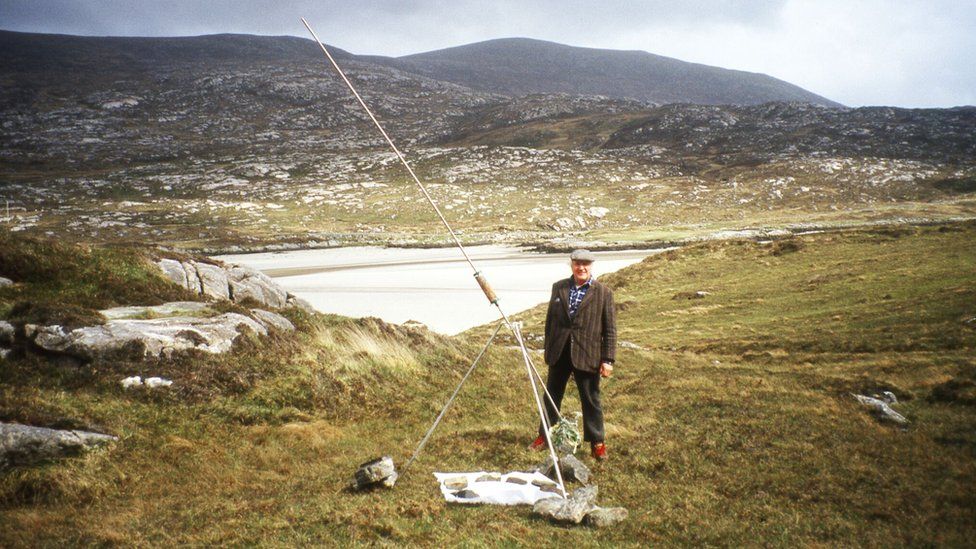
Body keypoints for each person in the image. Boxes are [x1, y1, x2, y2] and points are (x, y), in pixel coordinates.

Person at [530, 249, 617, 460]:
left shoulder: (604, 293)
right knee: (551, 397)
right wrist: (548, 349)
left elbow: (610, 330)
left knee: (591, 399)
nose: (581, 268)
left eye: (586, 264)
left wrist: (607, 360)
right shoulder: (558, 287)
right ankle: (544, 436)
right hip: (559, 353)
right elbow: (550, 322)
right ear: (571, 265)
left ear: (591, 266)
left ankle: (597, 443)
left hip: (587, 355)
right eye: (578, 263)